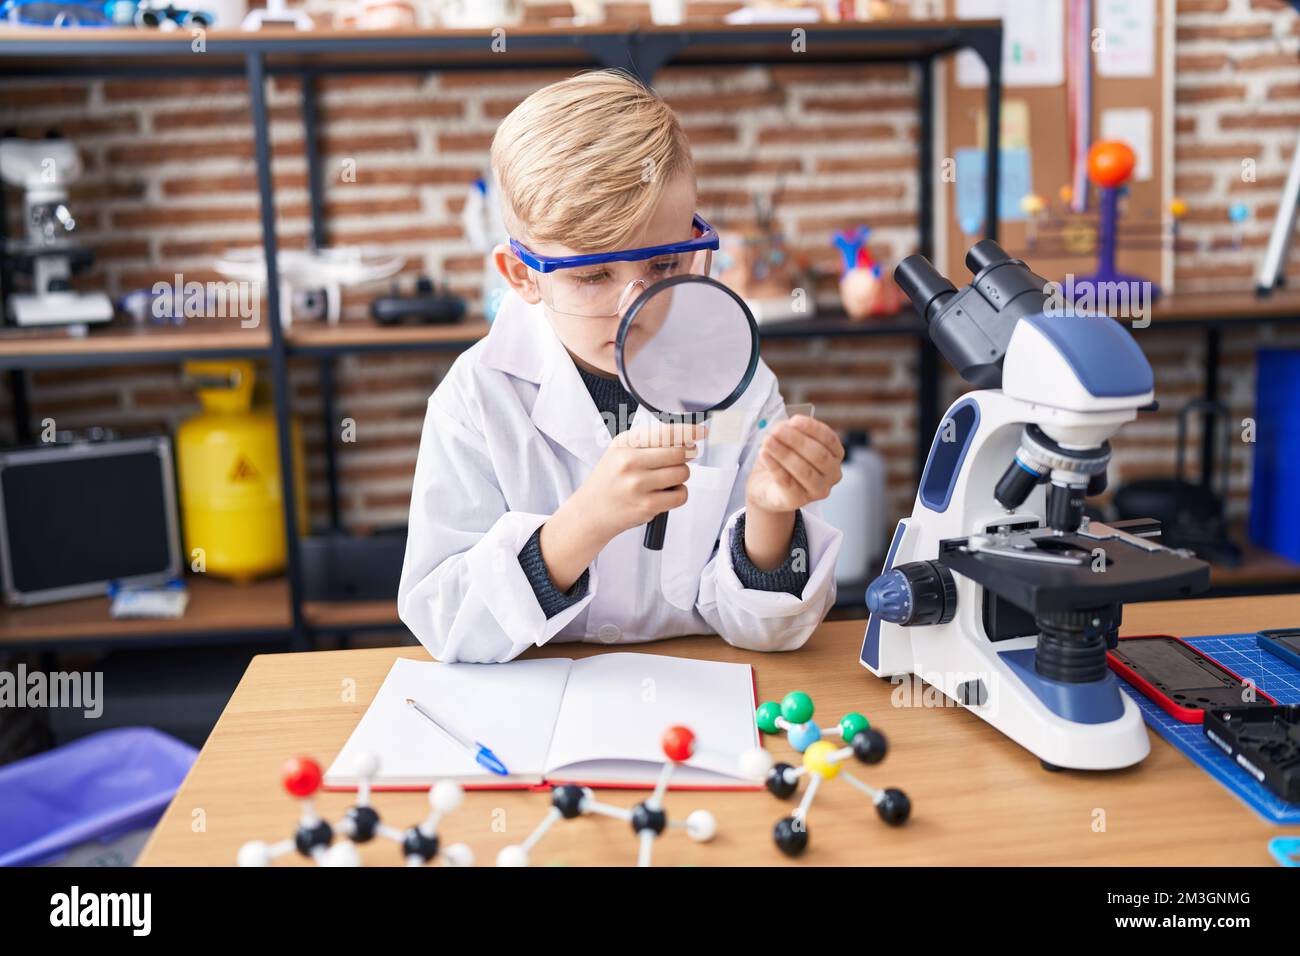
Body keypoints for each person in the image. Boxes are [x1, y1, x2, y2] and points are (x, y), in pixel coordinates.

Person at [398, 70, 845, 663]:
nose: (637, 305)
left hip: (699, 696)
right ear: (522, 276)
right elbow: (444, 620)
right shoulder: (477, 397)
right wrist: (585, 521)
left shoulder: (739, 384)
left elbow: (770, 631)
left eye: (663, 266)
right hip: (534, 710)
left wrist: (770, 513)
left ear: (694, 238)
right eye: (592, 277)